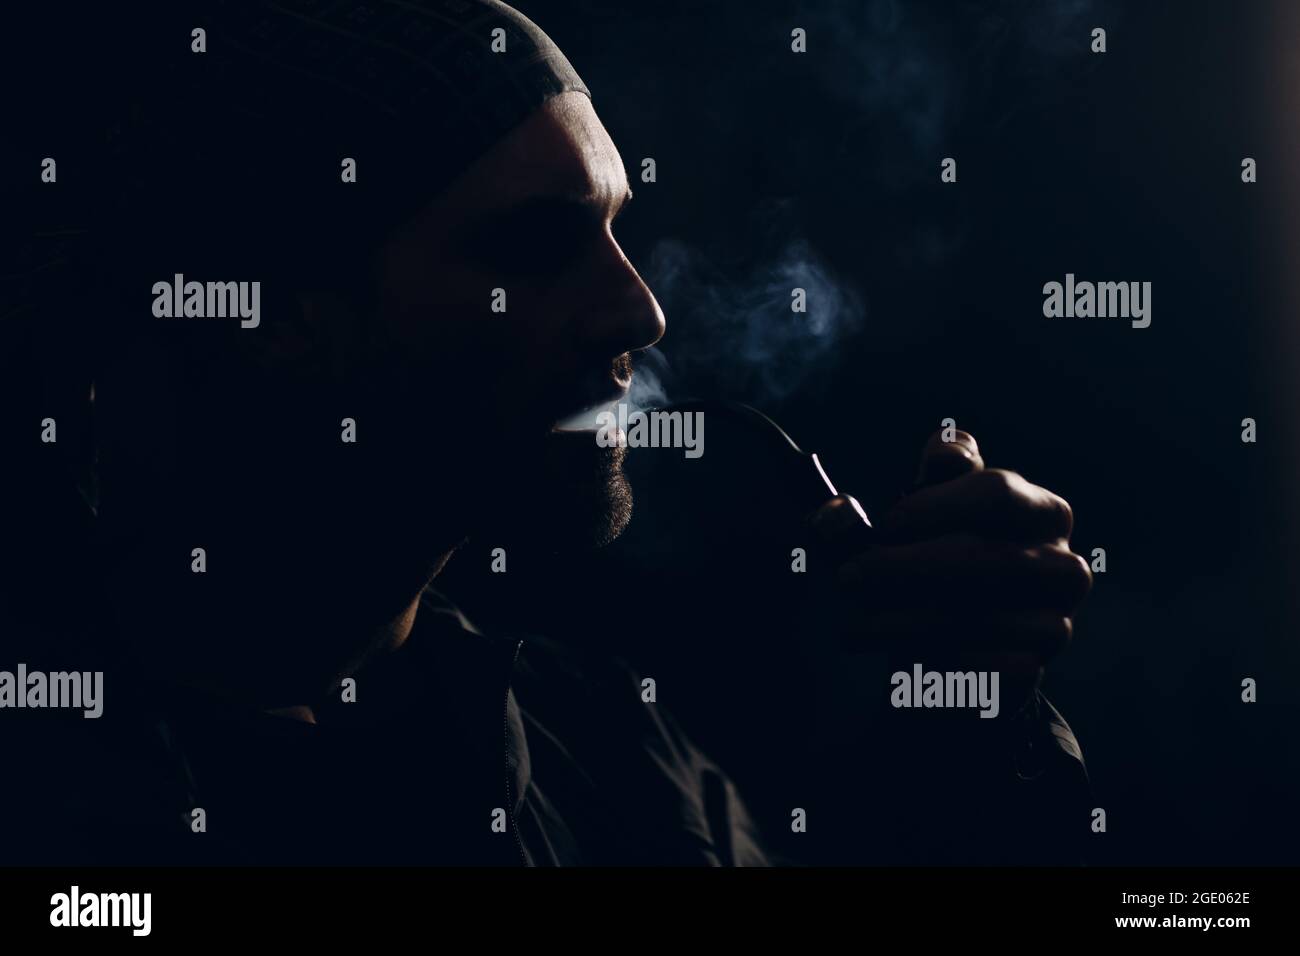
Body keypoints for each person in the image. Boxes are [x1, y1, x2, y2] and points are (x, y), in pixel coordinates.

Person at [4, 0, 1092, 865]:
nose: (641, 313)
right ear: (280, 313)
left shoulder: (617, 758)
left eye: (618, 233)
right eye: (536, 247)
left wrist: (977, 738)